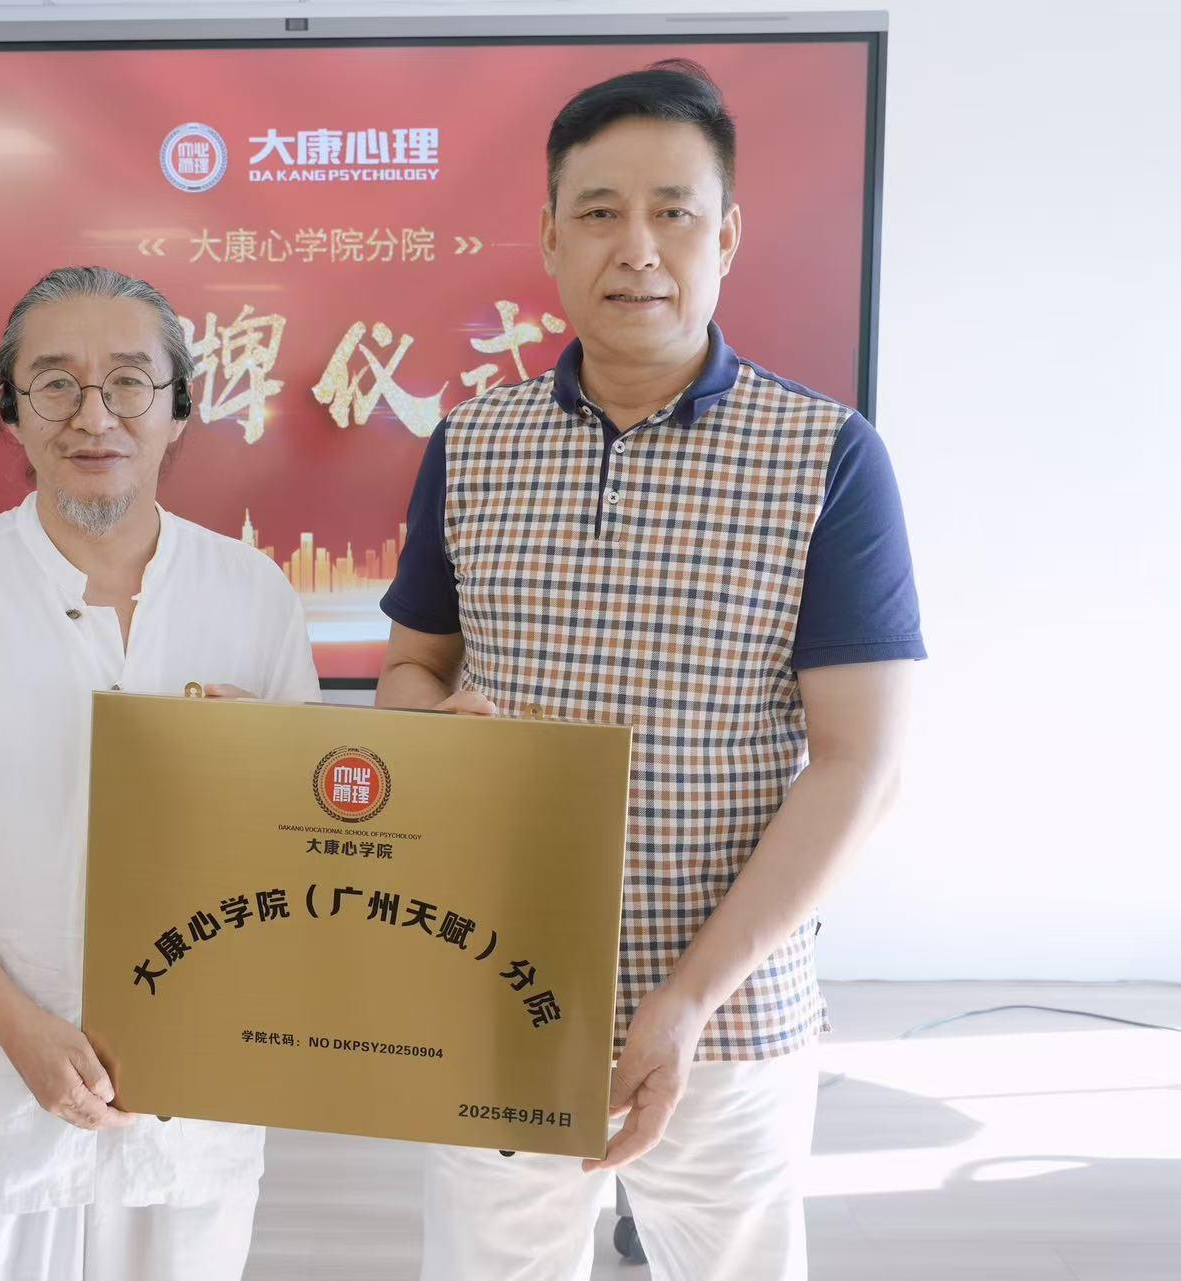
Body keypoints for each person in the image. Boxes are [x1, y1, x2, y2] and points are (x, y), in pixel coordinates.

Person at [377, 61, 925, 1281]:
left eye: (673, 211)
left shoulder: (826, 456)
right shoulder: (471, 442)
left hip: (729, 1015)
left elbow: (861, 767)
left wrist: (683, 1003)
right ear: (548, 238)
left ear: (724, 236)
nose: (636, 248)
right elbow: (411, 669)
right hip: (490, 983)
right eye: (598, 211)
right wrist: (429, 725)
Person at [0, 265, 319, 1279]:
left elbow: (308, 850)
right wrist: (24, 1033)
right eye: (55, 384)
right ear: (11, 411)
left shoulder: (253, 593)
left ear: (179, 408)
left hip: (192, 1093)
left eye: (129, 381)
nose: (95, 416)